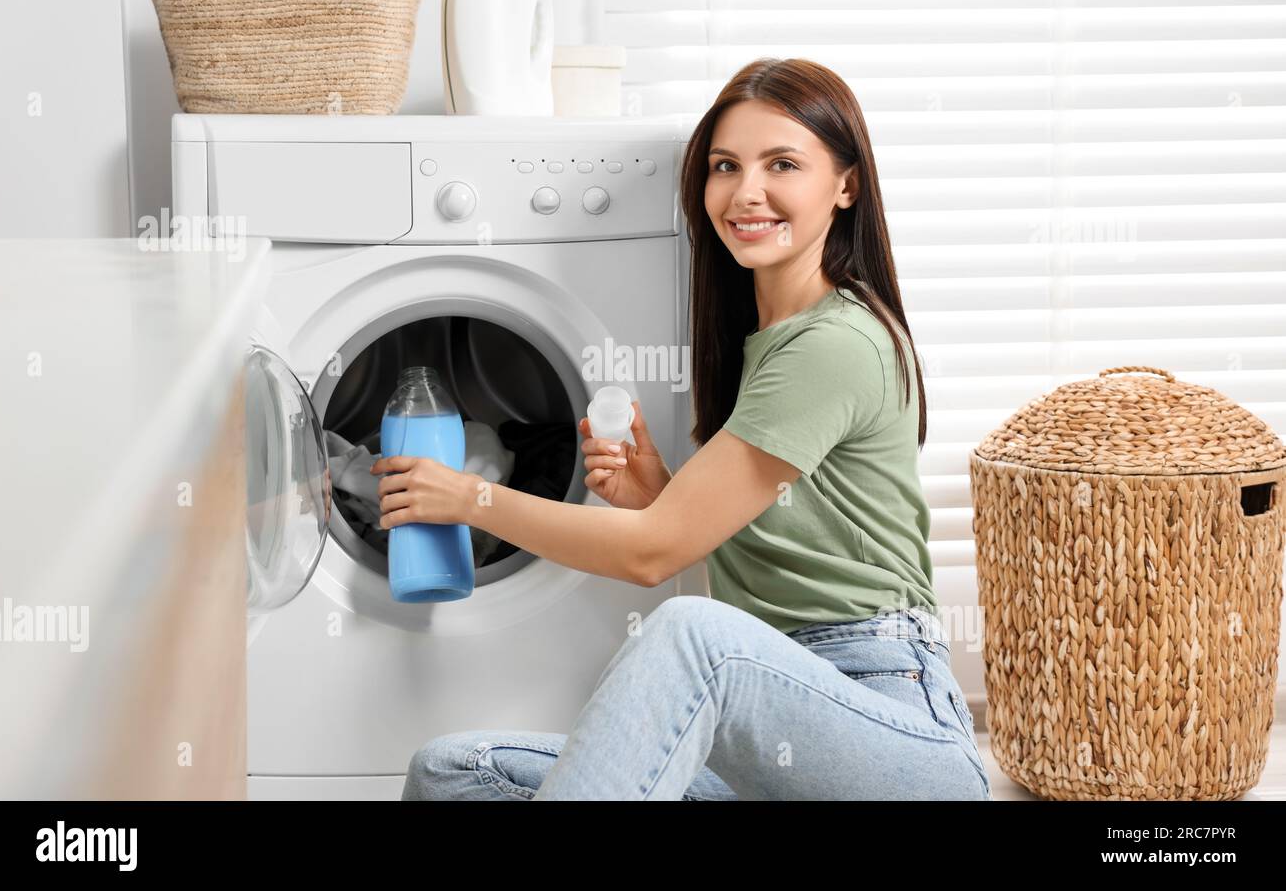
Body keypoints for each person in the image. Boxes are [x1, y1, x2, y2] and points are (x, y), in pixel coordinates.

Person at [372, 57, 992, 800]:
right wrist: (663, 494)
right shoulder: (763, 343)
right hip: (761, 743)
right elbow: (703, 540)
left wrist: (470, 498)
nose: (745, 191)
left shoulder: (837, 342)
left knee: (692, 632)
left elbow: (653, 557)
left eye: (782, 164)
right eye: (725, 165)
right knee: (454, 771)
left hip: (890, 735)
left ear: (846, 186)